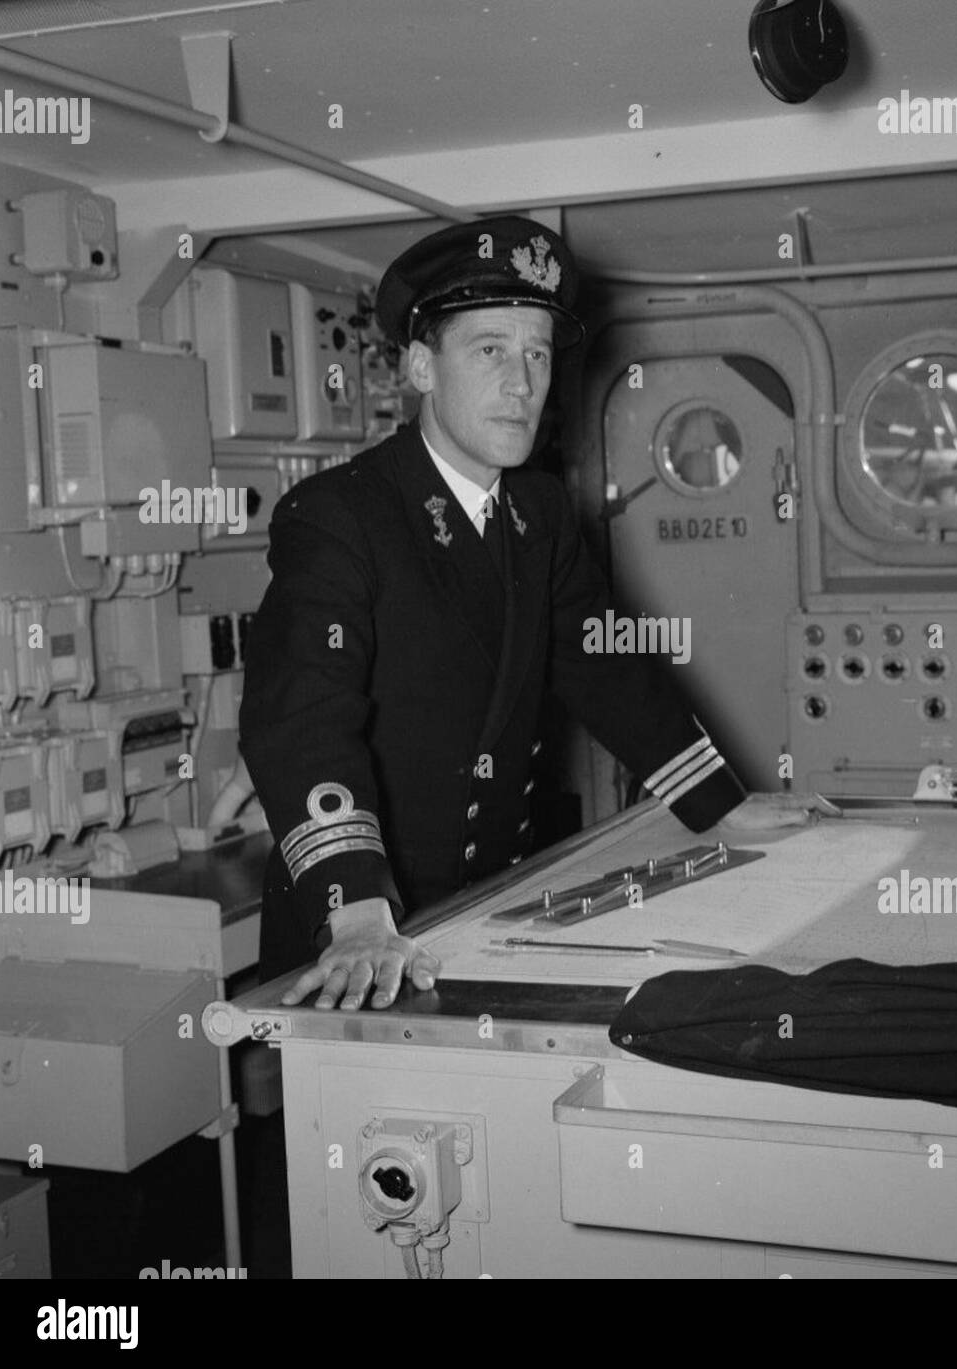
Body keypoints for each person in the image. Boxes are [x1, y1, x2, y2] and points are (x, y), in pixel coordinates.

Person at [239, 215, 824, 1011]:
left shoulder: (538, 512)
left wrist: (723, 802)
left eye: (538, 354)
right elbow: (303, 715)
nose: (522, 383)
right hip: (362, 921)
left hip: (487, 903)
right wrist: (356, 908)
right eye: (489, 350)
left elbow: (603, 661)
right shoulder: (342, 514)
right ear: (419, 365)